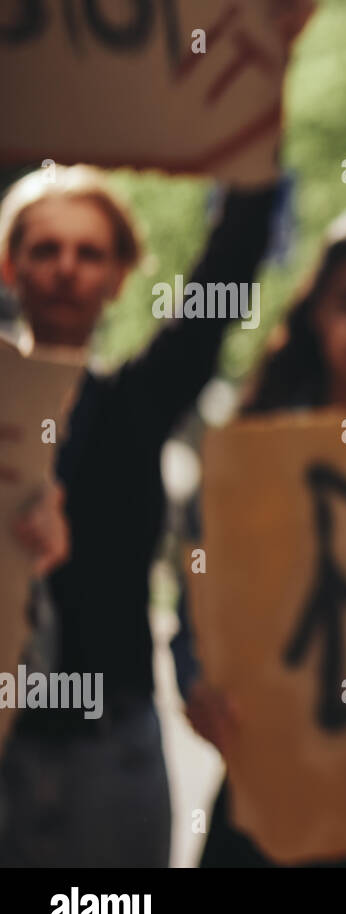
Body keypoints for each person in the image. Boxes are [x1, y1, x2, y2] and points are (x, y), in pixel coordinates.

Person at [0, 164, 278, 866]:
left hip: (110, 758)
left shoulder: (138, 402)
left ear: (120, 274)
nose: (66, 268)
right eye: (46, 248)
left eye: (89, 251)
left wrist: (253, 151)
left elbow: (226, 280)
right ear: (10, 266)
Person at [173, 199, 346, 866]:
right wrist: (195, 680)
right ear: (316, 315)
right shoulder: (248, 458)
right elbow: (199, 590)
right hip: (269, 793)